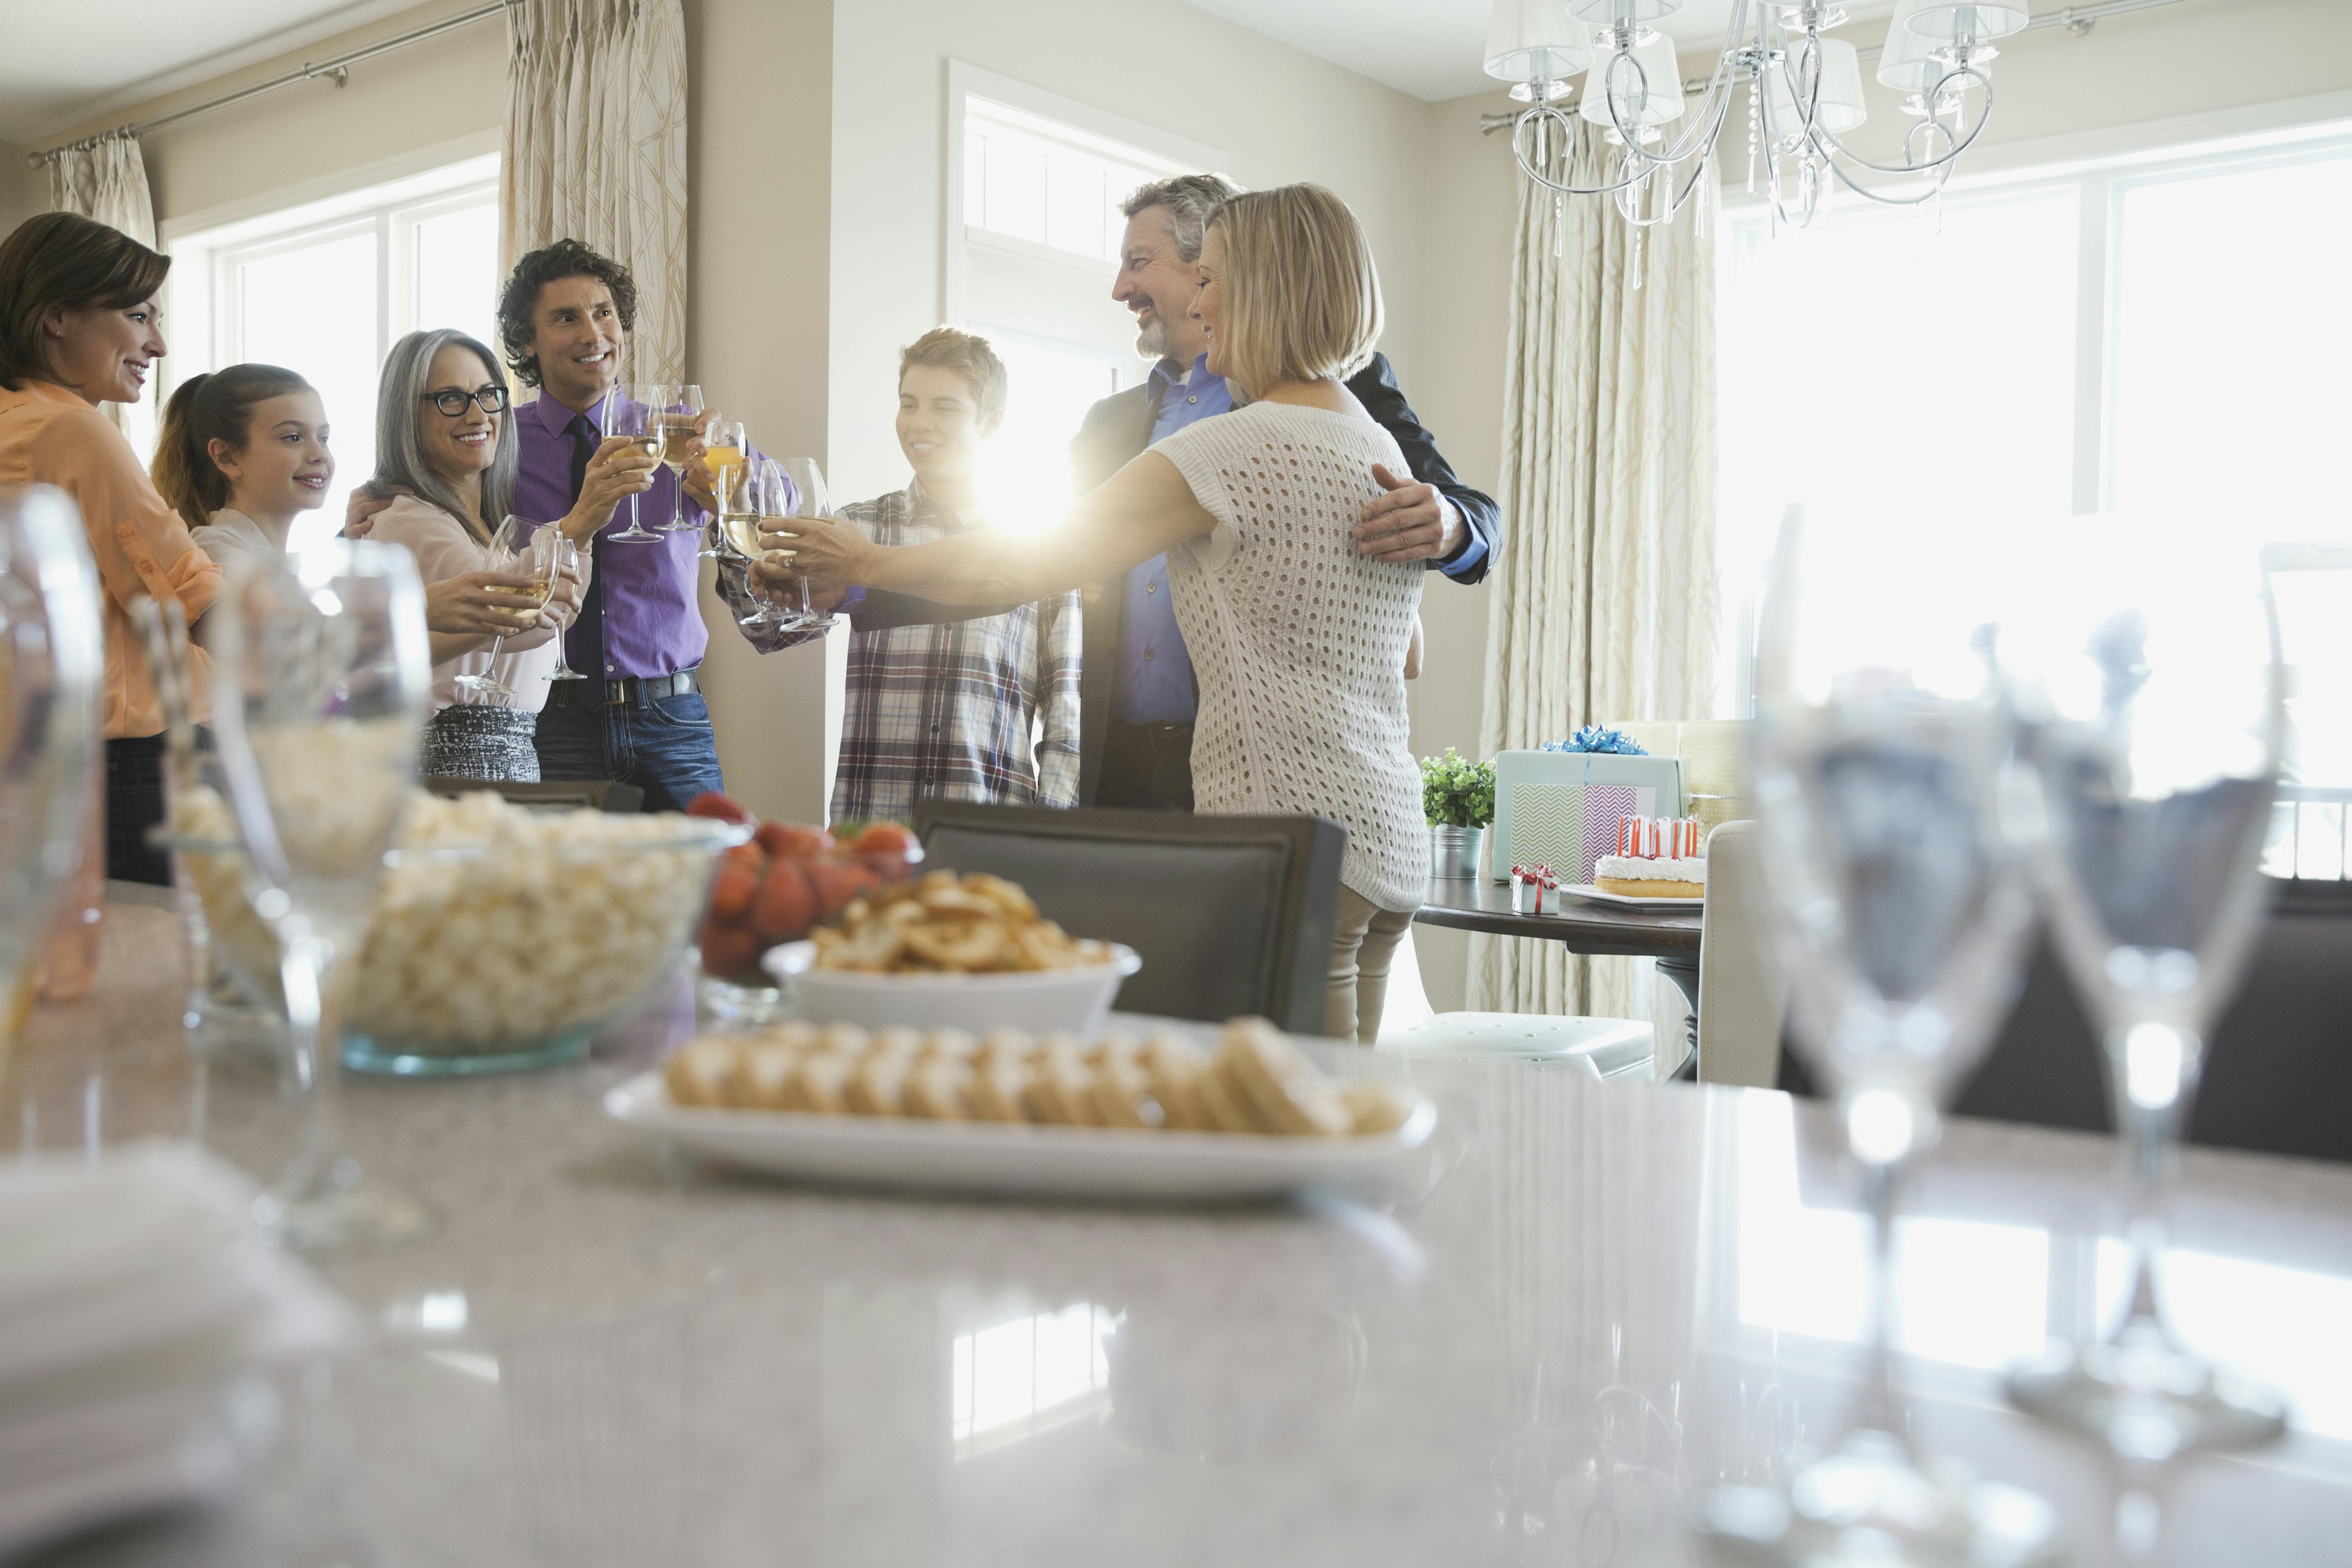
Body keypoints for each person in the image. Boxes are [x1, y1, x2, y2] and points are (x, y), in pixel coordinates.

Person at [776, 185, 1423, 1043]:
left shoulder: (1231, 447)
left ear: (1270, 290)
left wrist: (865, 563)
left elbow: (1024, 560)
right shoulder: (1373, 444)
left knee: (1285, 1134)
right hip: (1386, 840)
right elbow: (1405, 647)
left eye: (1218, 279)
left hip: (1295, 837)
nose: (1200, 301)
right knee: (1339, 1124)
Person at [1081, 173, 1497, 810]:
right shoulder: (1105, 423)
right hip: (1116, 768)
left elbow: (1469, 507)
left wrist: (1451, 525)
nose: (1121, 290)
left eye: (1139, 263)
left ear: (1212, 267)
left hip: (1266, 767)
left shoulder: (1343, 383)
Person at [493, 239, 818, 809]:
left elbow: (782, 508)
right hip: (548, 719)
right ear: (528, 341)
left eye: (604, 314)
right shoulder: (500, 446)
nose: (594, 335)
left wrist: (732, 478)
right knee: (559, 896)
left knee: (711, 886)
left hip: (671, 718)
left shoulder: (678, 436)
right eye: (567, 318)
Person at [0, 212, 219, 884]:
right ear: (57, 314)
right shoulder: (70, 430)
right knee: (159, 973)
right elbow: (188, 600)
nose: (158, 344)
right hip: (124, 769)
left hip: (36, 765)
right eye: (137, 316)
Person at [830, 328, 1081, 827]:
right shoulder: (857, 529)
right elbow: (773, 628)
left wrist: (1050, 834)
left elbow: (1066, 712)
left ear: (991, 422)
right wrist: (737, 507)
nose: (919, 423)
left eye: (944, 407)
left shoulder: (1042, 545)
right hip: (870, 831)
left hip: (989, 831)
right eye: (909, 403)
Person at [361, 329, 590, 781]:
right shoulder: (410, 521)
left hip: (511, 756)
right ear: (406, 416)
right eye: (451, 398)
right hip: (457, 760)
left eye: (489, 395)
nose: (478, 414)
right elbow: (513, 613)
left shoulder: (484, 524)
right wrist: (587, 516)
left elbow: (554, 613)